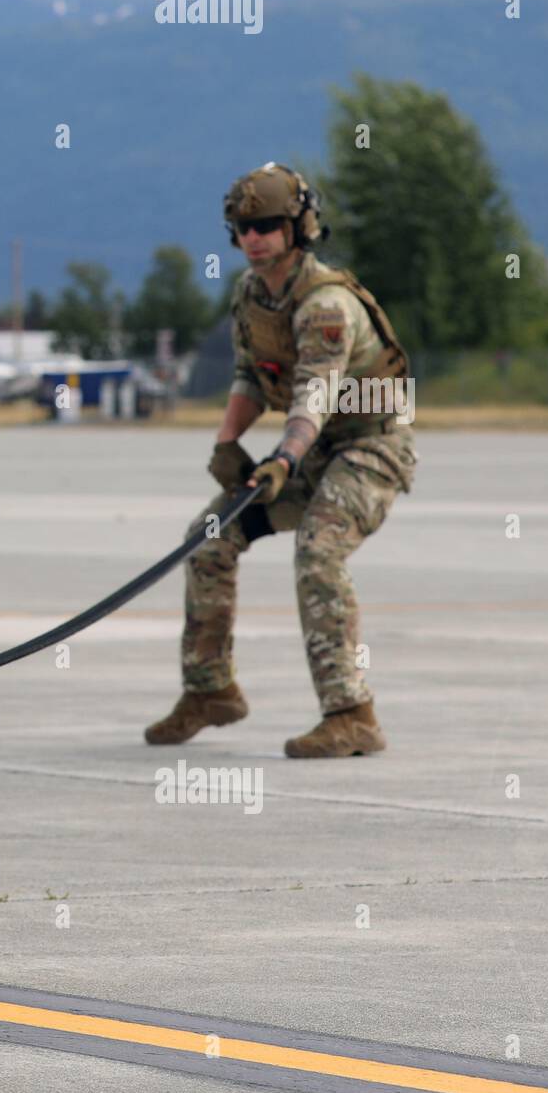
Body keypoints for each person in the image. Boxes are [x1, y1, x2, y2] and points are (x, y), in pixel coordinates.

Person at [145, 163, 415, 758]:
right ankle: (210, 689)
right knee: (209, 537)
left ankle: (352, 713)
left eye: (267, 224)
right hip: (311, 449)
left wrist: (283, 462)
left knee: (319, 551)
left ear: (299, 228)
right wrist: (226, 443)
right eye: (242, 227)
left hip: (370, 444)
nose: (252, 237)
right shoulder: (252, 295)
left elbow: (314, 394)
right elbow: (250, 374)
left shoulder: (326, 304)